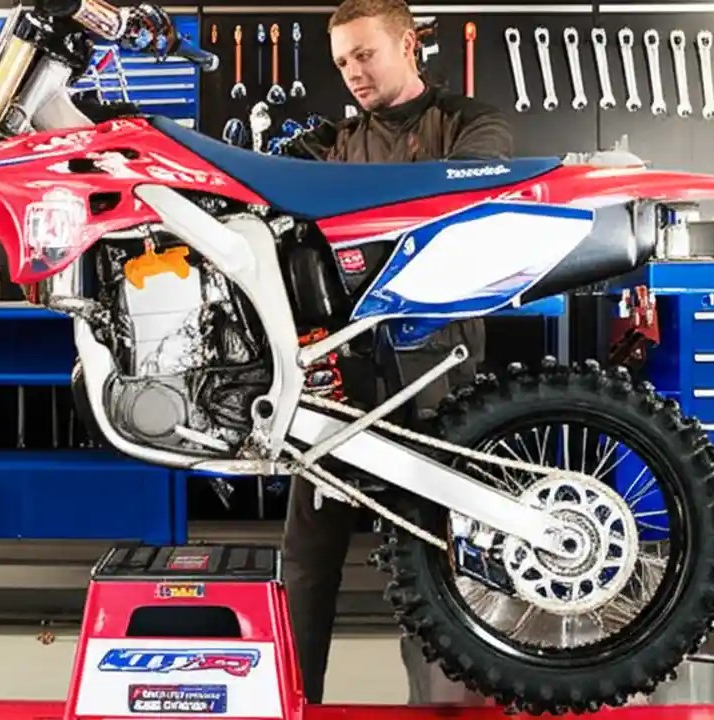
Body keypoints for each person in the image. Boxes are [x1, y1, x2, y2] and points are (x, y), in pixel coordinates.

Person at [277, 0, 515, 707]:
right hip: (339, 376)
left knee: (429, 547)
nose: (353, 72)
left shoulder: (470, 124)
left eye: (365, 54)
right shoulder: (333, 143)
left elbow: (476, 181)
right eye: (343, 60)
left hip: (435, 371)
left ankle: (439, 706)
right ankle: (296, 699)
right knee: (308, 554)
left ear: (408, 45)